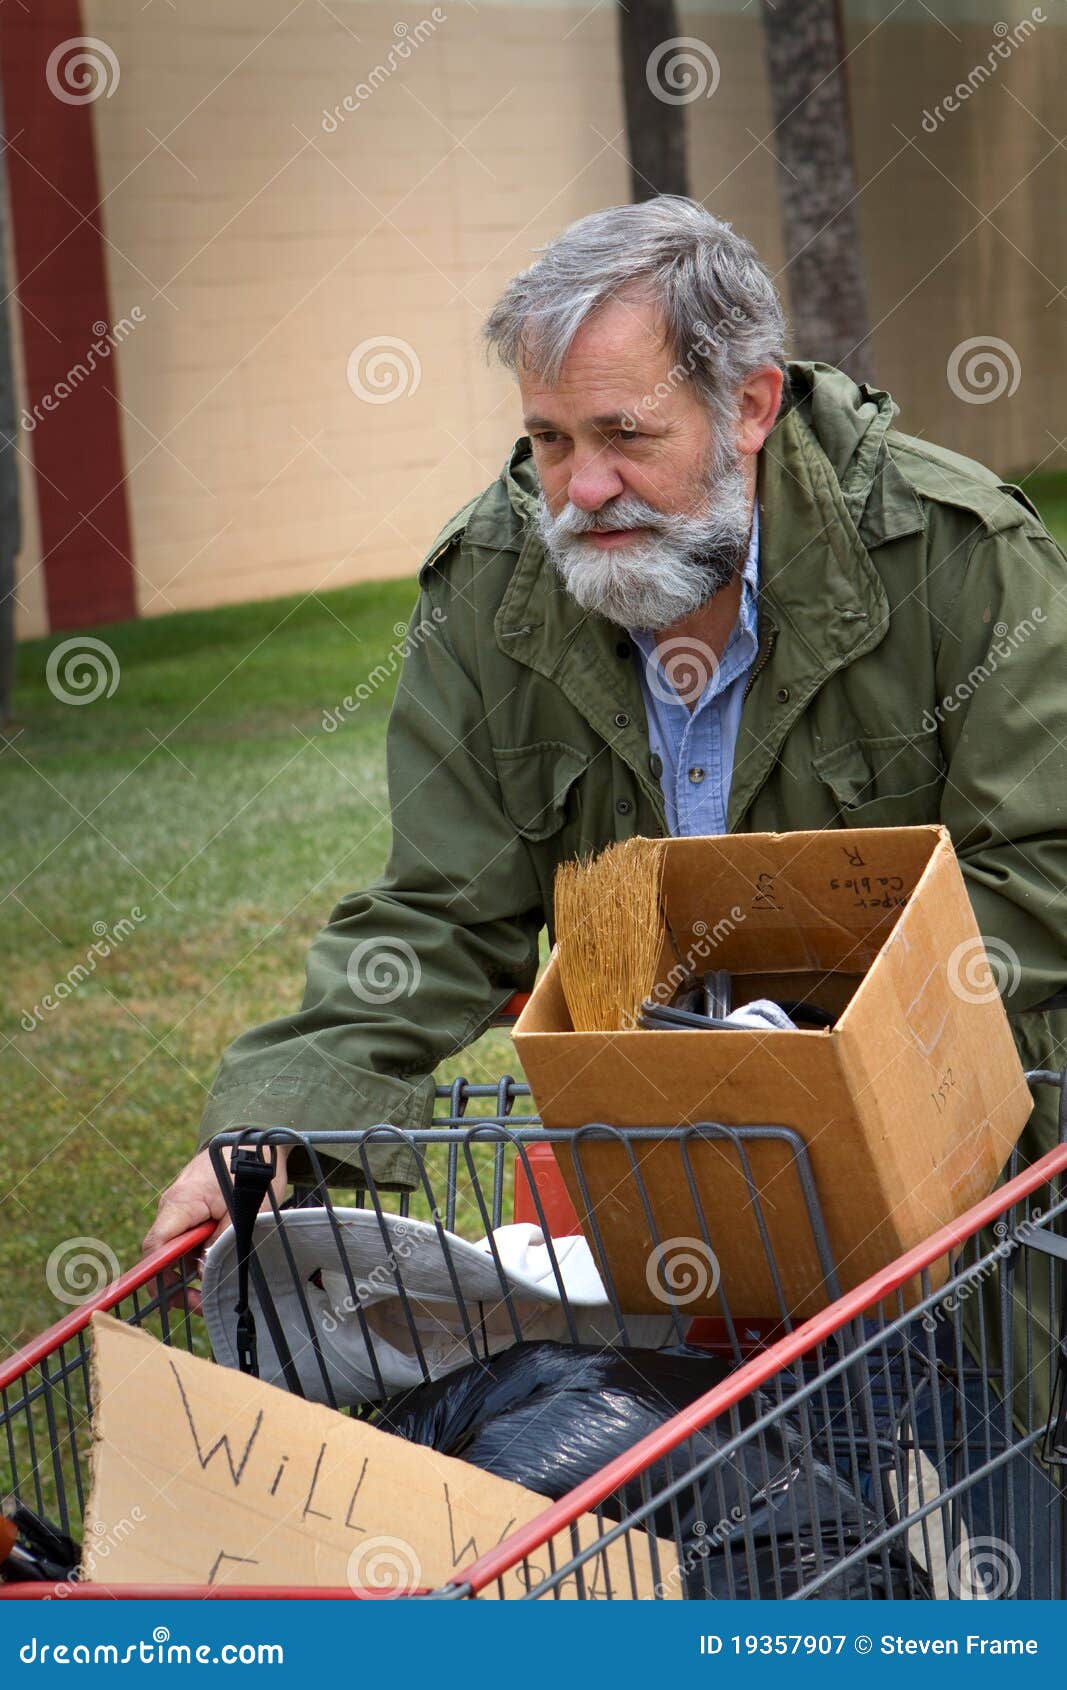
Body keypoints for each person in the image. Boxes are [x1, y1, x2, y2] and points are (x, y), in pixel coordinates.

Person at [142, 193, 1067, 1268]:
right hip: (651, 1181)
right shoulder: (493, 581)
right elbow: (442, 907)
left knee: (925, 1428)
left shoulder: (956, 554)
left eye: (624, 434)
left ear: (749, 406)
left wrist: (815, 1053)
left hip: (964, 1188)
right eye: (548, 438)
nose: (581, 489)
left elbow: (1041, 864)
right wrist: (272, 1126)